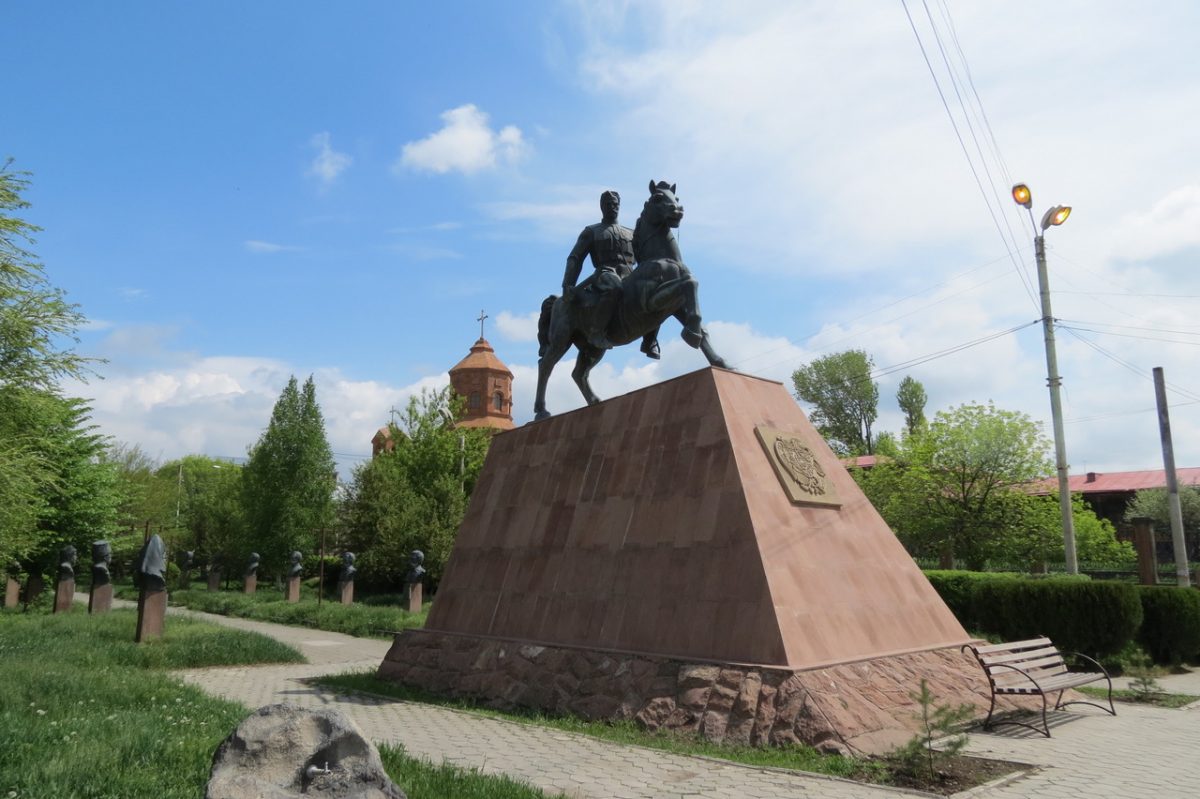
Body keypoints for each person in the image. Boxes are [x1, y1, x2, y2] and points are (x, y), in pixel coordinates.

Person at [561, 190, 661, 358]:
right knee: (615, 287)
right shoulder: (592, 231)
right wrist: (567, 285)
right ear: (601, 207)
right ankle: (596, 332)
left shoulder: (631, 233)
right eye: (608, 204)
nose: (612, 207)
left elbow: (643, 257)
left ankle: (649, 340)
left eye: (615, 204)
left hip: (630, 275)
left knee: (656, 290)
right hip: (605, 274)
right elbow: (575, 258)